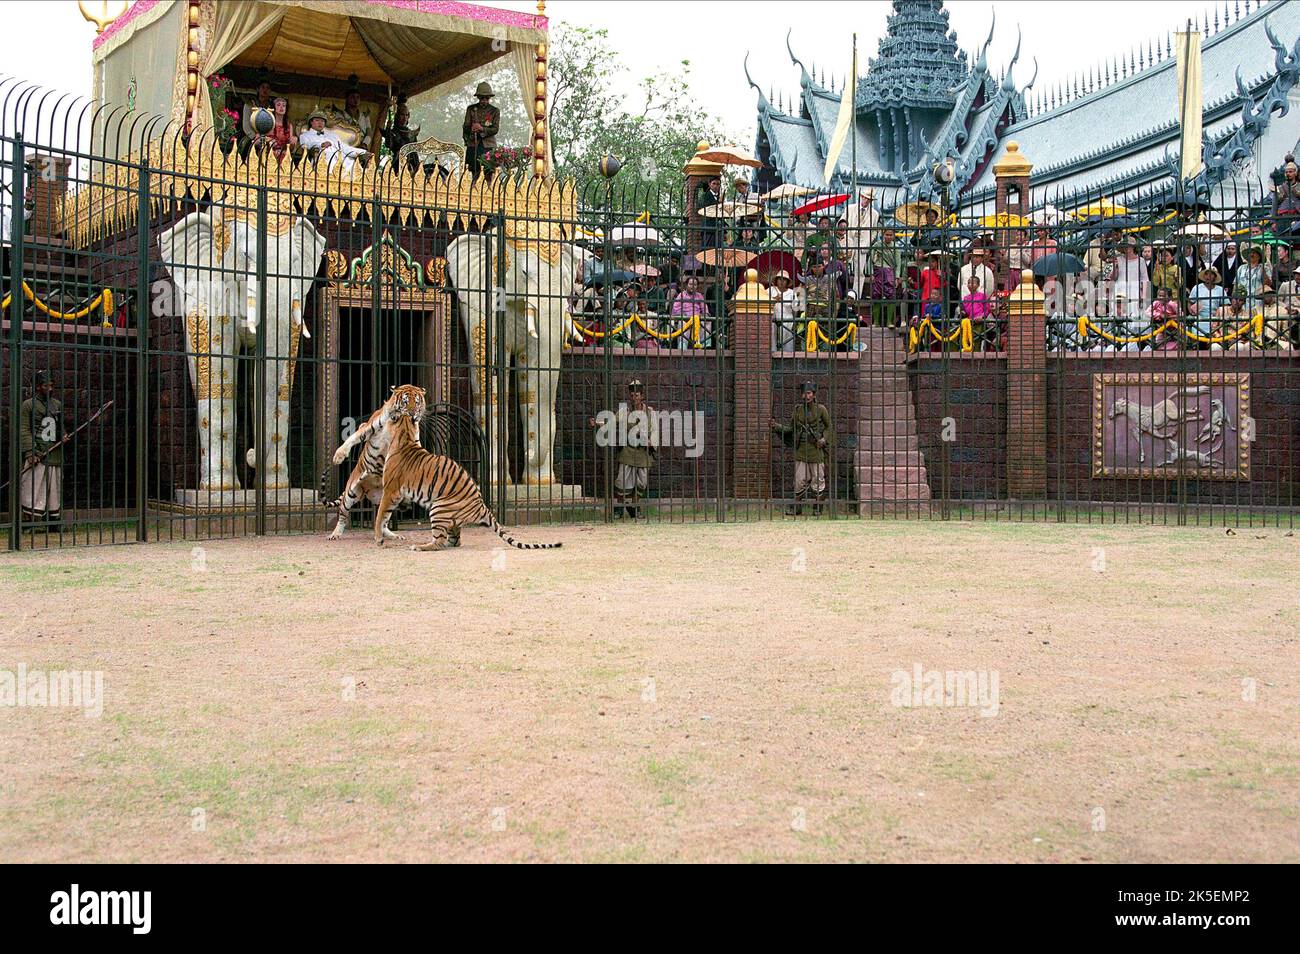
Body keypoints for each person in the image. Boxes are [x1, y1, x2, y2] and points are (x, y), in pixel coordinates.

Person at [590, 380, 657, 519]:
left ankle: (635, 507)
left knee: (642, 482)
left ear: (642, 396)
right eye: (632, 395)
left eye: (637, 395)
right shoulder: (624, 412)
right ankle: (619, 508)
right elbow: (611, 422)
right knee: (622, 481)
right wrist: (596, 423)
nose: (634, 398)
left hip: (642, 452)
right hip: (627, 450)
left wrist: (651, 442)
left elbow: (655, 430)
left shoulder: (650, 412)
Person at [771, 381, 832, 515]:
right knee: (799, 480)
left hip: (816, 450)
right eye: (804, 393)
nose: (806, 396)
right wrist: (776, 426)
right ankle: (797, 508)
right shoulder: (798, 410)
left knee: (818, 480)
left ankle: (817, 509)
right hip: (801, 450)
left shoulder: (821, 409)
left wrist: (823, 440)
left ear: (814, 394)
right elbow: (791, 429)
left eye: (809, 393)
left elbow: (829, 427)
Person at [19, 370, 63, 526]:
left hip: (54, 452)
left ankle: (53, 522)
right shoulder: (28, 405)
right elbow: (24, 429)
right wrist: (30, 452)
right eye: (46, 385)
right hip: (38, 452)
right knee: (34, 488)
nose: (50, 389)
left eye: (51, 385)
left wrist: (63, 435)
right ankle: (29, 522)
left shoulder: (56, 404)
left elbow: (59, 426)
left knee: (54, 490)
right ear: (38, 387)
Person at [867, 226, 907, 327]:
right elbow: (870, 260)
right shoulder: (877, 245)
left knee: (891, 296)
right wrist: (871, 273)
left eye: (890, 235)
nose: (888, 237)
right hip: (878, 271)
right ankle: (876, 322)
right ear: (882, 235)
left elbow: (898, 264)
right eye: (886, 235)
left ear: (893, 236)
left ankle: (889, 321)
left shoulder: (896, 248)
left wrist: (897, 277)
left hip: (890, 273)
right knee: (876, 296)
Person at [299, 110, 369, 168]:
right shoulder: (305, 135)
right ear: (311, 122)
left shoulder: (332, 135)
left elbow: (344, 147)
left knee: (353, 164)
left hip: (341, 159)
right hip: (323, 159)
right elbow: (306, 145)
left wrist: (363, 152)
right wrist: (321, 145)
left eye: (322, 121)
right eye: (317, 120)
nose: (320, 123)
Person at [462, 81, 500, 177]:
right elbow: (465, 127)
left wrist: (481, 129)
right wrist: (472, 129)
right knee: (473, 171)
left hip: (488, 146)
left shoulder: (494, 111)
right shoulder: (471, 109)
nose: (484, 100)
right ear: (478, 97)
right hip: (473, 145)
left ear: (489, 98)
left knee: (488, 172)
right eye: (482, 98)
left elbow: (495, 129)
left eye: (487, 98)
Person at [1187, 267, 1226, 341]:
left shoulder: (1220, 290)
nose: (1208, 276)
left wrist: (1219, 314)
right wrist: (1192, 312)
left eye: (1211, 274)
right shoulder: (1197, 288)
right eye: (1206, 274)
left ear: (1215, 277)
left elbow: (1225, 305)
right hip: (1199, 318)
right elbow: (1190, 302)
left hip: (1215, 319)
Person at [669, 274, 708, 347]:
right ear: (686, 285)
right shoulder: (681, 295)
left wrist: (704, 314)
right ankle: (683, 347)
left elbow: (705, 310)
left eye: (695, 285)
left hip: (697, 319)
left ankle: (703, 345)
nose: (692, 286)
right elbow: (675, 310)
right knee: (682, 323)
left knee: (707, 321)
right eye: (690, 284)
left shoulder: (699, 296)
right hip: (685, 319)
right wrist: (683, 315)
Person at [769, 270, 803, 352]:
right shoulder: (770, 290)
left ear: (787, 282)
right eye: (779, 279)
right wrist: (774, 299)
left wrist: (794, 322)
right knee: (773, 340)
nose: (781, 282)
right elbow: (764, 303)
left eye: (784, 279)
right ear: (776, 280)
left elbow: (795, 309)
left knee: (787, 343)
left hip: (787, 320)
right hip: (773, 319)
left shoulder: (791, 293)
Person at [1234, 244, 1270, 313]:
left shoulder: (1265, 268)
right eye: (1250, 253)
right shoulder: (1241, 268)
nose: (1251, 254)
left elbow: (1268, 284)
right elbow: (1236, 284)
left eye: (1254, 253)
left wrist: (1263, 271)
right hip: (1242, 302)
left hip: (1258, 301)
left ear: (1259, 256)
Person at [1272, 153, 1300, 232]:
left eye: (1290, 172)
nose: (1288, 174)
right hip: (1283, 218)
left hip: (1298, 217)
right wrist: (1273, 221)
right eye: (1287, 172)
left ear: (1295, 173)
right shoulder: (1280, 188)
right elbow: (1274, 205)